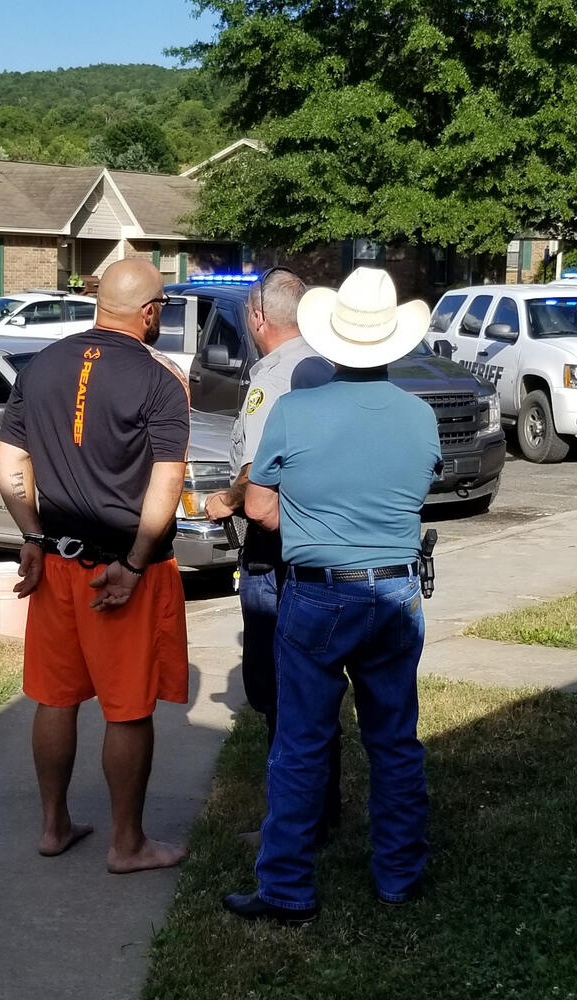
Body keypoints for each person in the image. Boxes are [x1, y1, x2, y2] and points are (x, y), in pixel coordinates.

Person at [223, 267, 443, 924]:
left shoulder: (294, 410)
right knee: (395, 740)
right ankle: (399, 875)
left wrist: (318, 526)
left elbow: (258, 506)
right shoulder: (419, 415)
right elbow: (413, 492)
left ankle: (287, 884)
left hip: (318, 594)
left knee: (301, 742)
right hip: (396, 589)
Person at [0, 259, 190, 874]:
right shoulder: (162, 379)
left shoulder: (43, 363)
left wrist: (31, 534)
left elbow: (8, 461)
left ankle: (54, 826)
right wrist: (134, 563)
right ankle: (127, 844)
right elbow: (165, 484)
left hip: (56, 562)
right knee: (127, 708)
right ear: (151, 311)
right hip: (123, 572)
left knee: (56, 699)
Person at [203, 267, 341, 839]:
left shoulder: (274, 378)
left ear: (257, 317)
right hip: (335, 551)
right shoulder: (333, 367)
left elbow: (261, 483)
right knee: (319, 686)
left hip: (277, 552)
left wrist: (224, 499)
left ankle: (293, 823)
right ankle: (323, 814)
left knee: (280, 691)